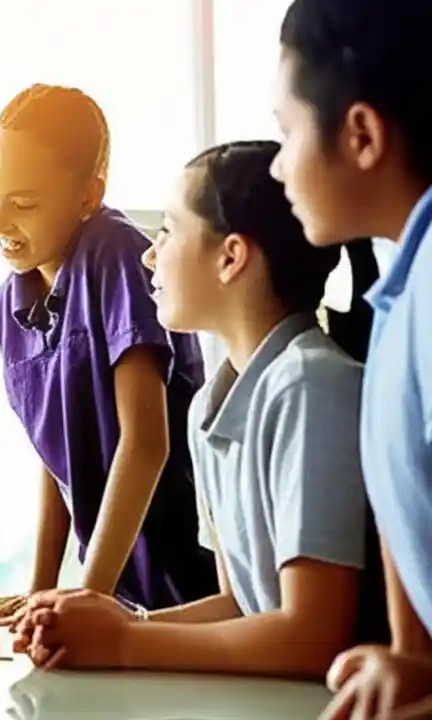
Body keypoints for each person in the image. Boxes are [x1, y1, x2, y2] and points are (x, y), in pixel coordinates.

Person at [10, 140, 389, 680]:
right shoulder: (210, 407)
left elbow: (311, 634)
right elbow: (241, 604)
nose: (149, 255)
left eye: (167, 231)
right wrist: (112, 624)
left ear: (231, 256)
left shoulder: (311, 385)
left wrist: (122, 643)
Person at [0, 84, 218, 627]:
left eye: (22, 204)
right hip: (119, 594)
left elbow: (146, 441)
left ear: (88, 197)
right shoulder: (8, 305)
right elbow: (54, 459)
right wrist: (39, 596)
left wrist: (89, 599)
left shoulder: (115, 255)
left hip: (187, 590)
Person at [270, 0, 432, 716]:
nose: (278, 167)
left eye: (287, 133)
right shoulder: (399, 290)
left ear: (360, 134)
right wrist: (412, 663)